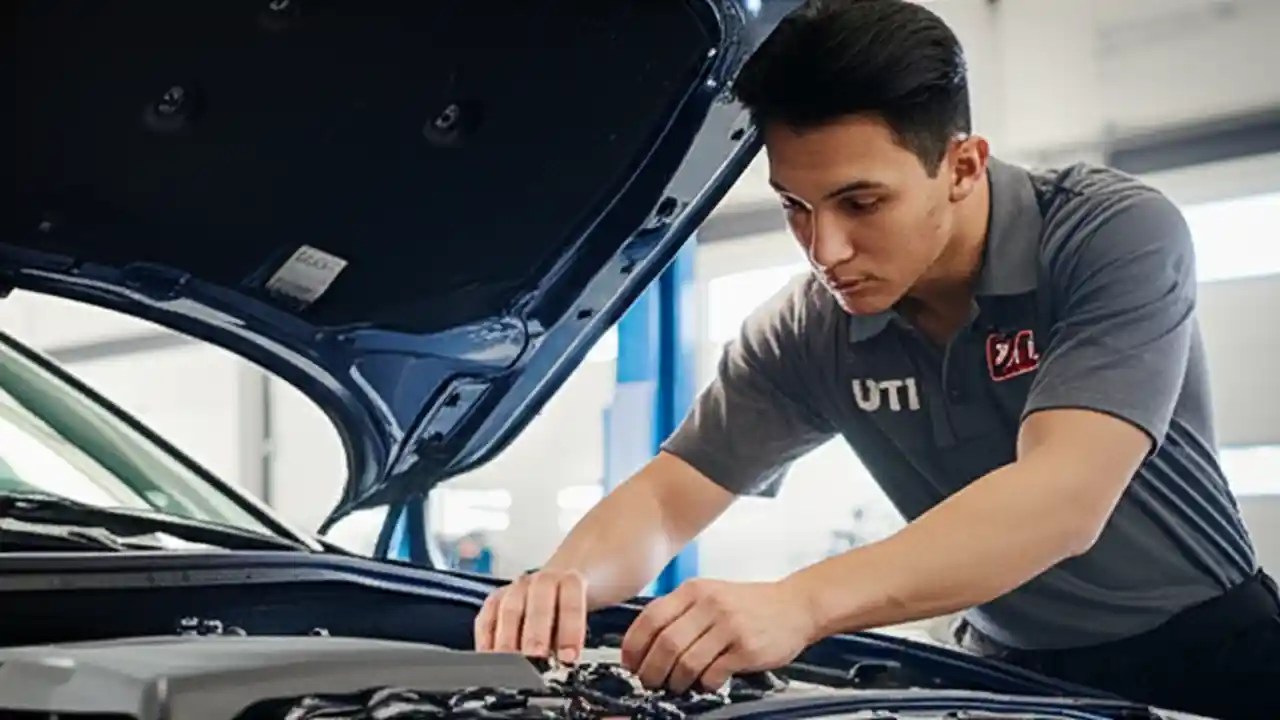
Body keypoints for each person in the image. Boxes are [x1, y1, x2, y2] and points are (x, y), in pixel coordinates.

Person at [474, 1, 1280, 717]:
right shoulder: (803, 332)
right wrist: (562, 583)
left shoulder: (1107, 236)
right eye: (795, 206)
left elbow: (1062, 500)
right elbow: (666, 498)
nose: (826, 249)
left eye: (861, 203)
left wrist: (802, 603)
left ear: (961, 165)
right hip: (1007, 670)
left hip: (1212, 654)